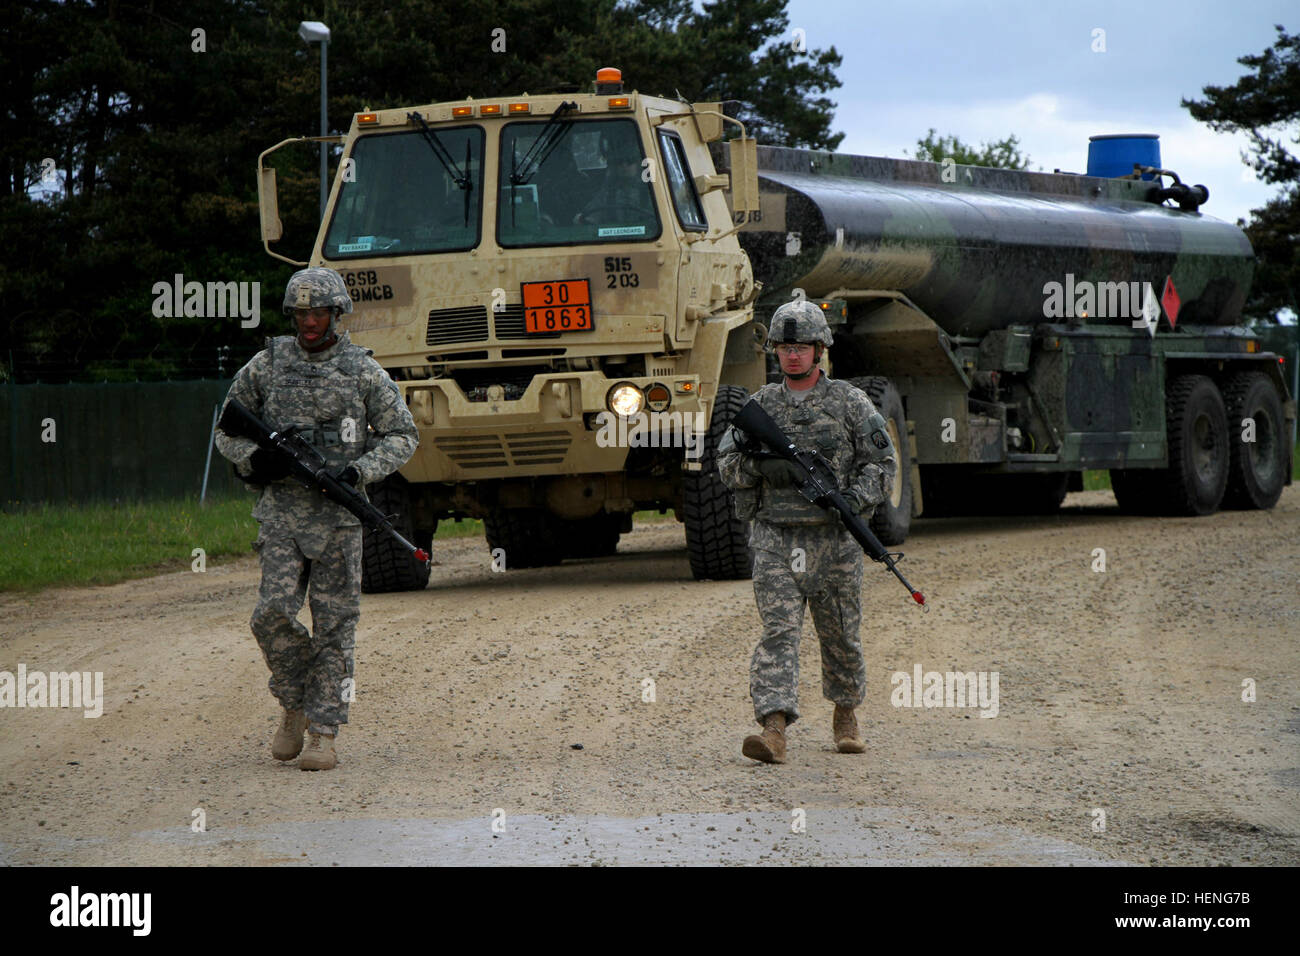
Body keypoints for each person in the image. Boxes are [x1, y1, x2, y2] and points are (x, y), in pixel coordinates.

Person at [215, 268, 418, 771]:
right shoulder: (267, 365)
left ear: (336, 313)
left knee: (335, 627)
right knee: (271, 616)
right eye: (301, 312)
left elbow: (403, 435)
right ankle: (294, 703)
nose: (309, 321)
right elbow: (226, 428)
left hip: (338, 521)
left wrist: (357, 469)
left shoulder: (361, 370)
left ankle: (324, 732)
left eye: (318, 312)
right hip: (282, 517)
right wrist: (253, 461)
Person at [717, 299, 897, 764]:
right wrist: (767, 470)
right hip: (776, 538)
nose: (792, 355)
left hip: (834, 539)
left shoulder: (850, 402)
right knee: (778, 632)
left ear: (820, 351)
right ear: (774, 351)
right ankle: (773, 728)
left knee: (840, 634)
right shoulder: (760, 406)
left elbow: (882, 464)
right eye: (784, 347)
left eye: (802, 347)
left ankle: (845, 714)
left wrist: (852, 502)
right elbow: (726, 464)